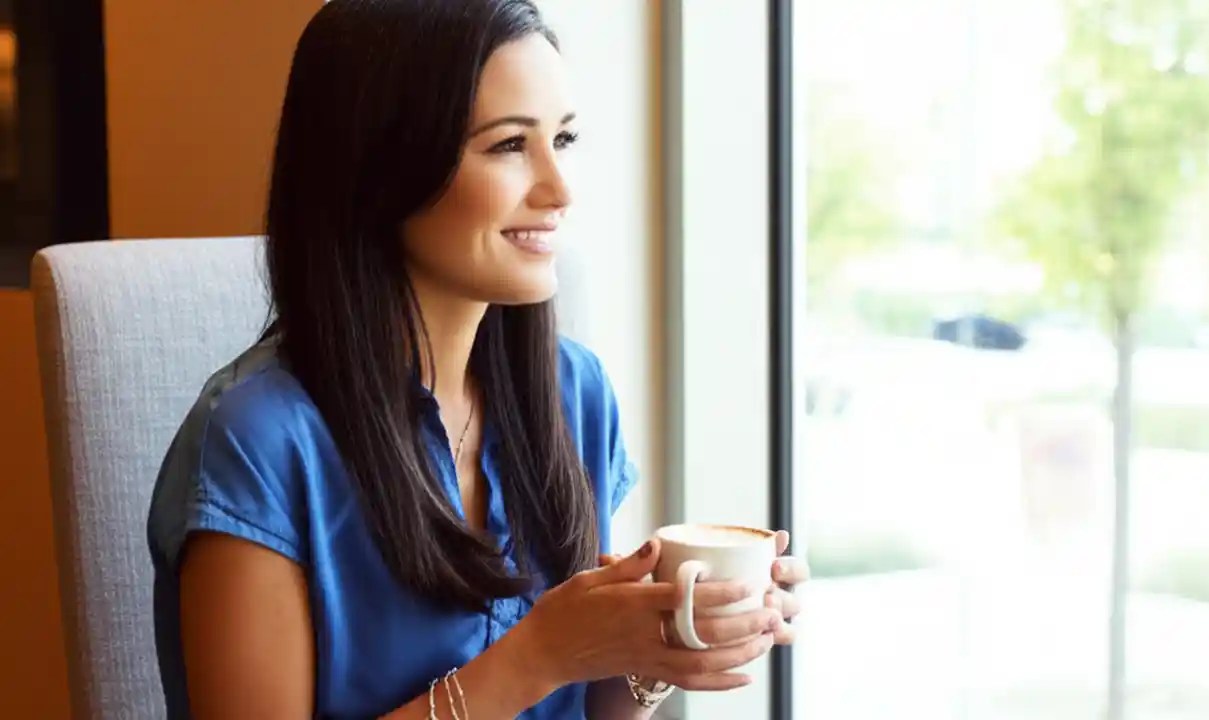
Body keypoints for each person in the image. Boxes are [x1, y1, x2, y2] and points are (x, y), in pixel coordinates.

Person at [145, 1, 808, 717]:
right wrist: (541, 654)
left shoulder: (572, 390)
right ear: (380, 168)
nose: (560, 189)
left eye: (565, 138)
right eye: (508, 146)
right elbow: (545, 664)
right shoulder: (259, 440)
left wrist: (658, 645)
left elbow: (591, 708)